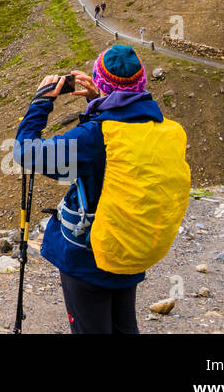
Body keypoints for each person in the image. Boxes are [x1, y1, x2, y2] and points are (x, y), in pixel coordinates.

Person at [15, 44, 188, 334]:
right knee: (123, 325)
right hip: (132, 246)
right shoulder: (157, 127)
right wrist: (101, 102)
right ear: (141, 83)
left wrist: (40, 103)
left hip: (90, 257)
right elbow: (115, 146)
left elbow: (26, 152)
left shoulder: (95, 136)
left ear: (100, 83)